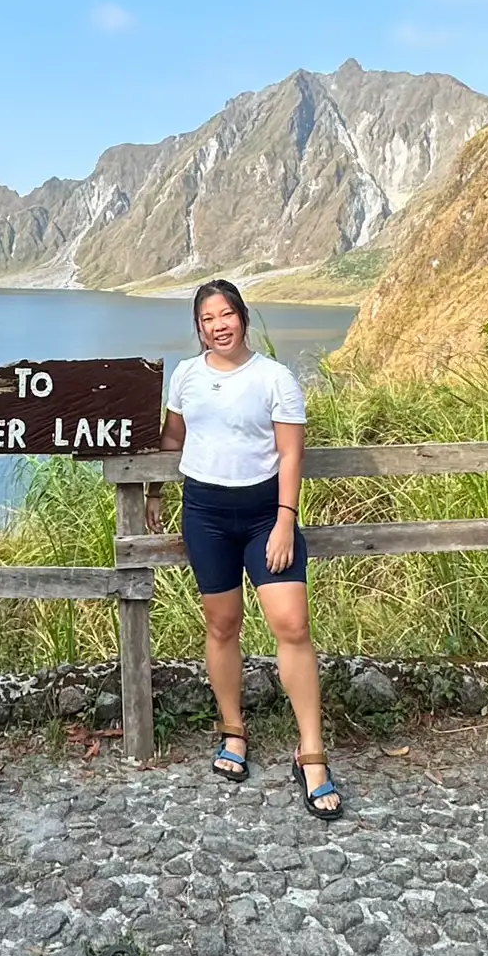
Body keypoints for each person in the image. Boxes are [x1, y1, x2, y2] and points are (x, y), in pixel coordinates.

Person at [146, 278, 343, 817]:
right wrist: (155, 490)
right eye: (207, 319)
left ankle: (312, 752)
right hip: (206, 512)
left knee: (292, 625)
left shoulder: (275, 378)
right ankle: (233, 730)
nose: (218, 326)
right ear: (198, 327)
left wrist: (285, 521)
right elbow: (172, 439)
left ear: (243, 317)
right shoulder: (186, 375)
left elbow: (290, 455)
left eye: (226, 314)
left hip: (264, 516)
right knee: (222, 624)